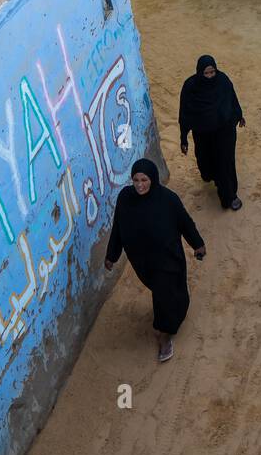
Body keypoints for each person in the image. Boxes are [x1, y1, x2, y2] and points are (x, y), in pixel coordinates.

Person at [104, 158, 205, 364]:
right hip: (143, 260)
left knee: (166, 293)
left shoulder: (168, 200)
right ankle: (168, 324)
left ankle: (163, 334)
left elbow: (185, 223)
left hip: (169, 257)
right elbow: (118, 228)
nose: (140, 185)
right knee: (164, 293)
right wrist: (111, 256)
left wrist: (198, 244)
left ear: (153, 179)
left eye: (144, 180)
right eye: (136, 180)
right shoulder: (125, 198)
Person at [179, 56, 246, 211]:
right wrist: (184, 138)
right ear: (199, 73)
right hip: (203, 134)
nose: (209, 76)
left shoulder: (222, 81)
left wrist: (239, 115)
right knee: (205, 161)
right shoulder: (190, 87)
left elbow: (232, 99)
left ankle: (229, 196)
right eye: (206, 73)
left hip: (225, 132)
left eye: (212, 72)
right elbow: (184, 113)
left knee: (225, 162)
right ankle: (211, 174)